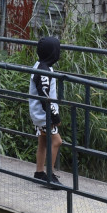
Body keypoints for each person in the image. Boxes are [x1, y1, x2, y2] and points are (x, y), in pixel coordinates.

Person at [30, 36, 66, 189]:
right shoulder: (43, 71)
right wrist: (54, 116)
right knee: (57, 141)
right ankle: (49, 176)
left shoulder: (41, 66)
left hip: (40, 114)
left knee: (43, 141)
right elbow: (44, 96)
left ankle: (39, 172)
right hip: (45, 115)